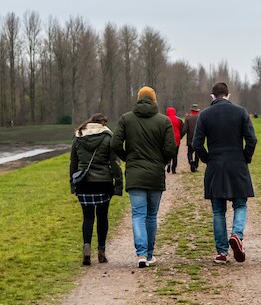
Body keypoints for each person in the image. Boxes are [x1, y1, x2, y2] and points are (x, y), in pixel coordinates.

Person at [191, 82, 257, 264]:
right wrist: (245, 157)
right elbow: (252, 139)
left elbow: (196, 144)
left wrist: (207, 159)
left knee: (218, 211)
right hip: (237, 163)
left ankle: (222, 252)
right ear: (228, 95)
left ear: (212, 96)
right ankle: (237, 235)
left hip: (215, 165)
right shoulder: (241, 112)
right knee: (240, 205)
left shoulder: (204, 115)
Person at [112, 86, 177, 268]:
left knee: (138, 214)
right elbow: (171, 149)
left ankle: (140, 253)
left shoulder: (126, 119)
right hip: (155, 174)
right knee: (151, 216)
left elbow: (114, 143)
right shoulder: (163, 121)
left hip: (135, 173)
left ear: (138, 99)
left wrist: (128, 158)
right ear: (154, 100)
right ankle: (149, 254)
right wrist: (161, 162)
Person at [69, 113, 122, 266]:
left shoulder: (78, 136)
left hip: (84, 183)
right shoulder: (107, 137)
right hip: (103, 182)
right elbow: (114, 163)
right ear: (103, 123)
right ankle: (101, 251)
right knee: (102, 216)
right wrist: (118, 184)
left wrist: (72, 183)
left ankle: (86, 248)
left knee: (87, 217)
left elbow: (73, 163)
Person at [165, 107, 184, 174]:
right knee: (175, 154)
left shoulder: (165, 119)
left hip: (168, 138)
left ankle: (168, 163)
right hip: (176, 138)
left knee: (168, 152)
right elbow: (182, 128)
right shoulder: (179, 120)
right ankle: (174, 169)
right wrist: (180, 136)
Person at [183, 103, 202, 172]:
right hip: (198, 138)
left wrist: (180, 136)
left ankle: (191, 161)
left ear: (191, 110)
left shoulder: (188, 118)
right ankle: (195, 166)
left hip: (190, 138)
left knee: (190, 152)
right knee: (197, 154)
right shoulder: (200, 117)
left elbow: (184, 129)